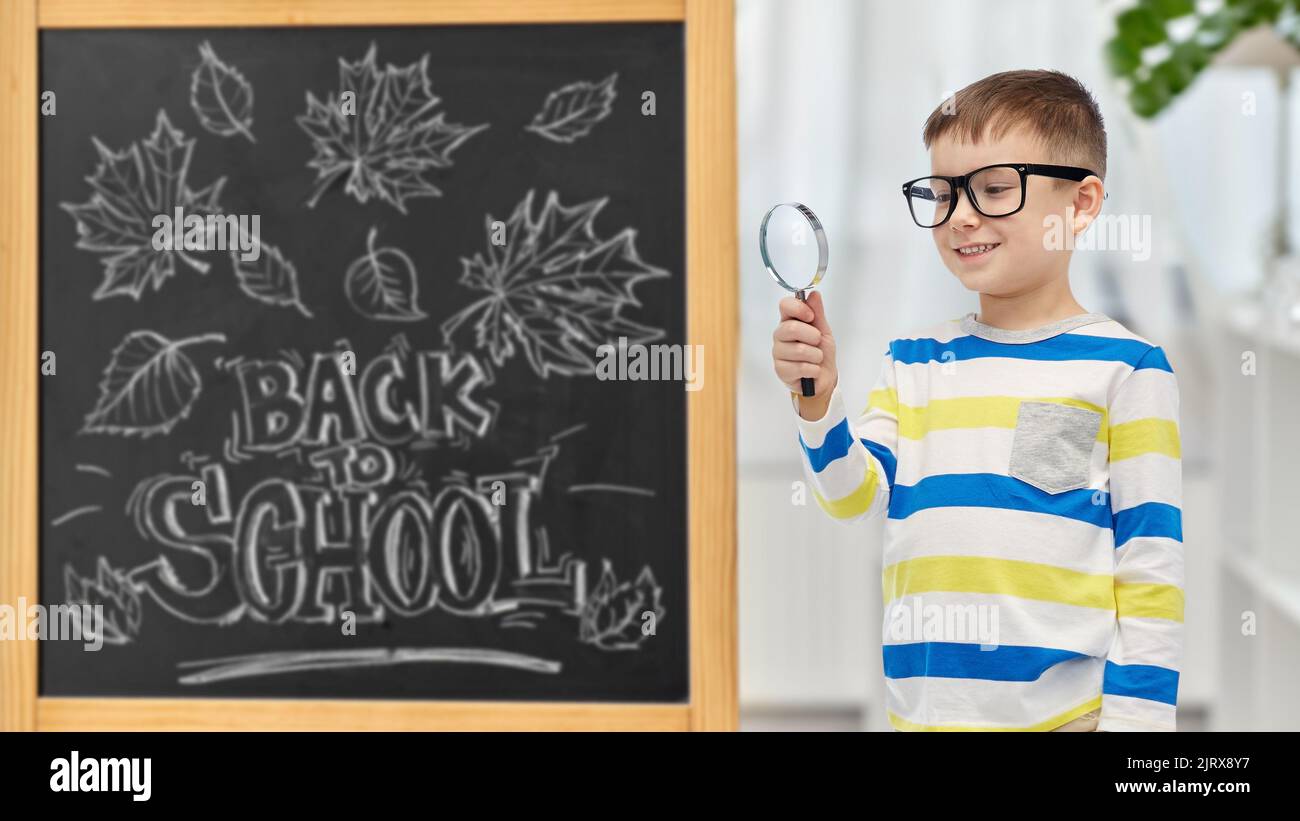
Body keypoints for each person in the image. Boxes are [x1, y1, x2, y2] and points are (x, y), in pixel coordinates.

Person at [772, 69, 1182, 732]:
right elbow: (852, 496)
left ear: (1080, 204)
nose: (960, 216)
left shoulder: (1126, 369)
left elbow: (1151, 567)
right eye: (941, 193)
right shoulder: (913, 361)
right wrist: (816, 399)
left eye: (993, 189)